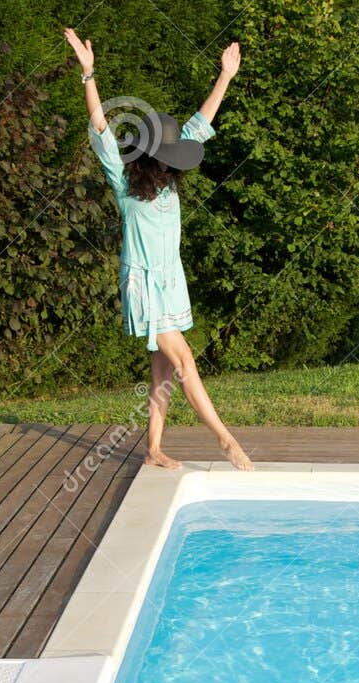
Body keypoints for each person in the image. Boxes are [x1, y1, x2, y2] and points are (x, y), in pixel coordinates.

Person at [64, 28, 253, 471]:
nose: (174, 161)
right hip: (145, 286)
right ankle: (226, 440)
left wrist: (225, 76)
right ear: (151, 156)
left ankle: (152, 450)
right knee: (184, 360)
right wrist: (88, 75)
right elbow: (101, 129)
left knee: (163, 373)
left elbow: (200, 123)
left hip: (171, 282)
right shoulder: (123, 180)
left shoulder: (167, 181)